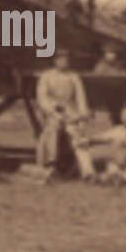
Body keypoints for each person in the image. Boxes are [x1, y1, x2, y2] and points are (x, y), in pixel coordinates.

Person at [35, 49, 95, 180]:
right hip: (51, 113)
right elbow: (42, 98)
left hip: (70, 112)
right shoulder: (46, 76)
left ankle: (87, 171)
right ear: (54, 60)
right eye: (60, 59)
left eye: (66, 59)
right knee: (52, 130)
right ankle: (50, 166)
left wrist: (82, 116)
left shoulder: (73, 76)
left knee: (77, 134)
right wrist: (53, 110)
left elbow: (80, 98)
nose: (63, 62)